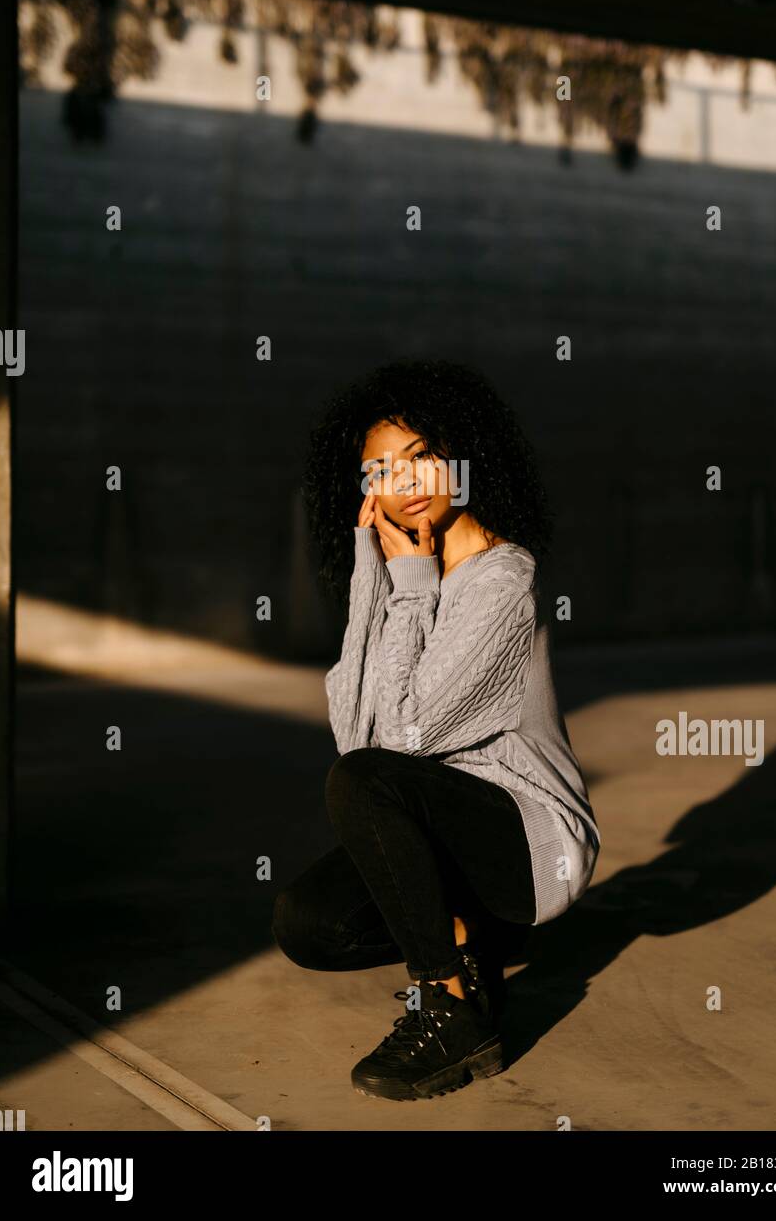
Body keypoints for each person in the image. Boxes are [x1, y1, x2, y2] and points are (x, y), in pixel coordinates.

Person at [272, 357, 601, 1101]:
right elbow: (356, 734)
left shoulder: (504, 578)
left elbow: (408, 740)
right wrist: (371, 576)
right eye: (381, 471)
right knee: (308, 923)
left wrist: (411, 590)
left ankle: (449, 1005)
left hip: (530, 839)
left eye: (420, 457)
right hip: (453, 830)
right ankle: (472, 937)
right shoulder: (402, 573)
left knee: (367, 783)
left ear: (462, 456)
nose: (406, 482)